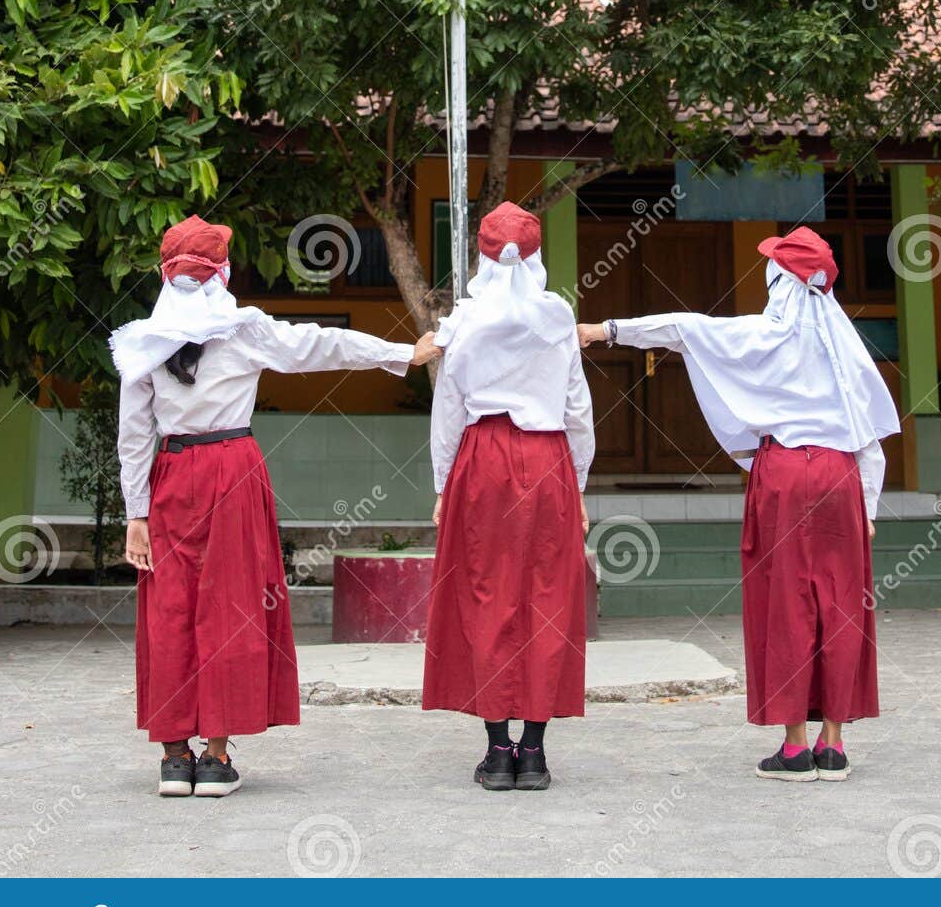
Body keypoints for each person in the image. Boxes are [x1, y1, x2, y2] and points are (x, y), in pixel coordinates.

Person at [112, 214, 434, 798]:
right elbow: (320, 343)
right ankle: (214, 757)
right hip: (232, 467)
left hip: (170, 475)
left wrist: (136, 514)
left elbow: (133, 435)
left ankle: (173, 757)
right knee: (232, 604)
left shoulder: (141, 341)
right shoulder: (244, 329)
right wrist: (400, 353)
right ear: (221, 273)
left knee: (170, 608)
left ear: (165, 274)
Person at [578, 225, 899, 783]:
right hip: (838, 475)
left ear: (781, 281)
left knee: (786, 602)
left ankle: (794, 748)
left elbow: (682, 328)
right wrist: (867, 507)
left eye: (771, 271)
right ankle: (834, 745)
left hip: (782, 476)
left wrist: (605, 329)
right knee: (842, 603)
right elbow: (868, 436)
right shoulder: (846, 350)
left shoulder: (758, 336)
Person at [422, 201, 595, 792]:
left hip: (483, 458)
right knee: (549, 597)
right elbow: (577, 408)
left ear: (483, 258)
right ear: (537, 256)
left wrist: (443, 483)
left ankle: (499, 751)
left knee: (485, 595)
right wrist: (583, 483)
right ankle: (537, 753)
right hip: (549, 460)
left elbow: (448, 407)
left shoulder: (465, 320)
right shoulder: (557, 317)